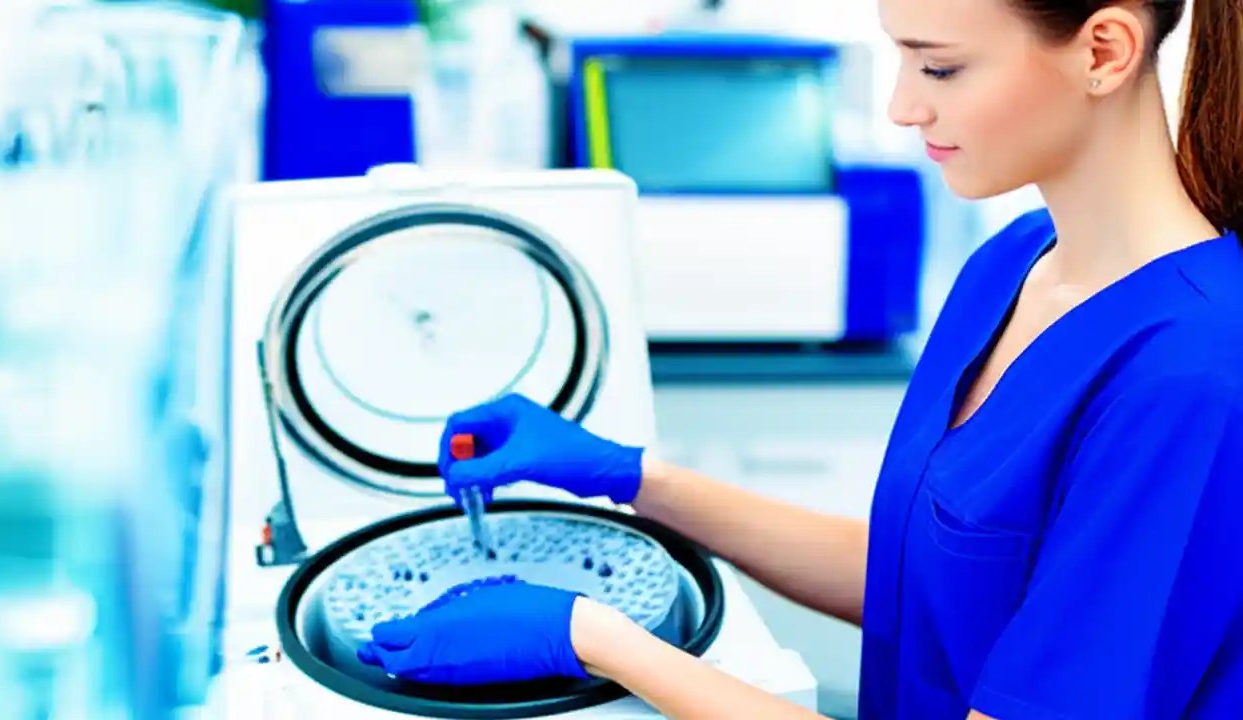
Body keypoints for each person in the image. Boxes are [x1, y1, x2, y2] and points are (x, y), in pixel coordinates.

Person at [354, 0, 1243, 716]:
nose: (903, 105)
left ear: (1105, 51)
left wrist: (593, 637)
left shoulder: (1190, 377)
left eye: (939, 67)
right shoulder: (1012, 264)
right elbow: (926, 584)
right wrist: (634, 480)